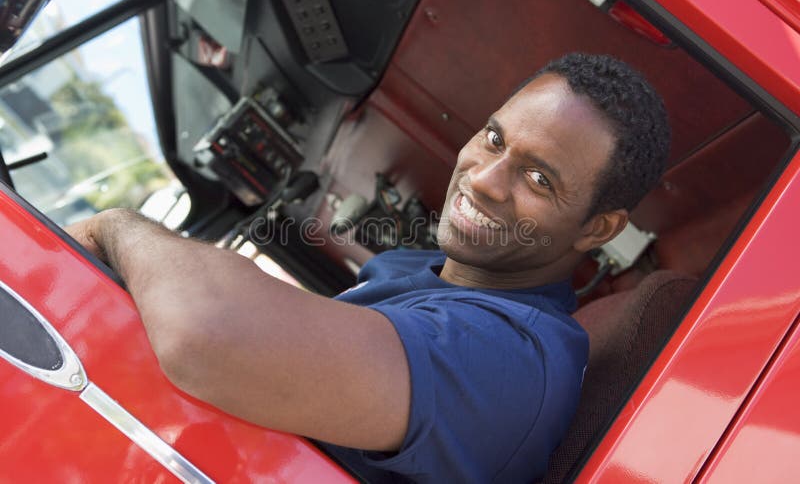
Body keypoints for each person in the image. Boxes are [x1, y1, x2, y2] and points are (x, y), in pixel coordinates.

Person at [67, 52, 670, 482]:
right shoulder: (428, 270)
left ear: (597, 228)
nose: (485, 180)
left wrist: (114, 225)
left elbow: (208, 332)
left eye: (539, 178)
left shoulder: (511, 360)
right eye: (493, 138)